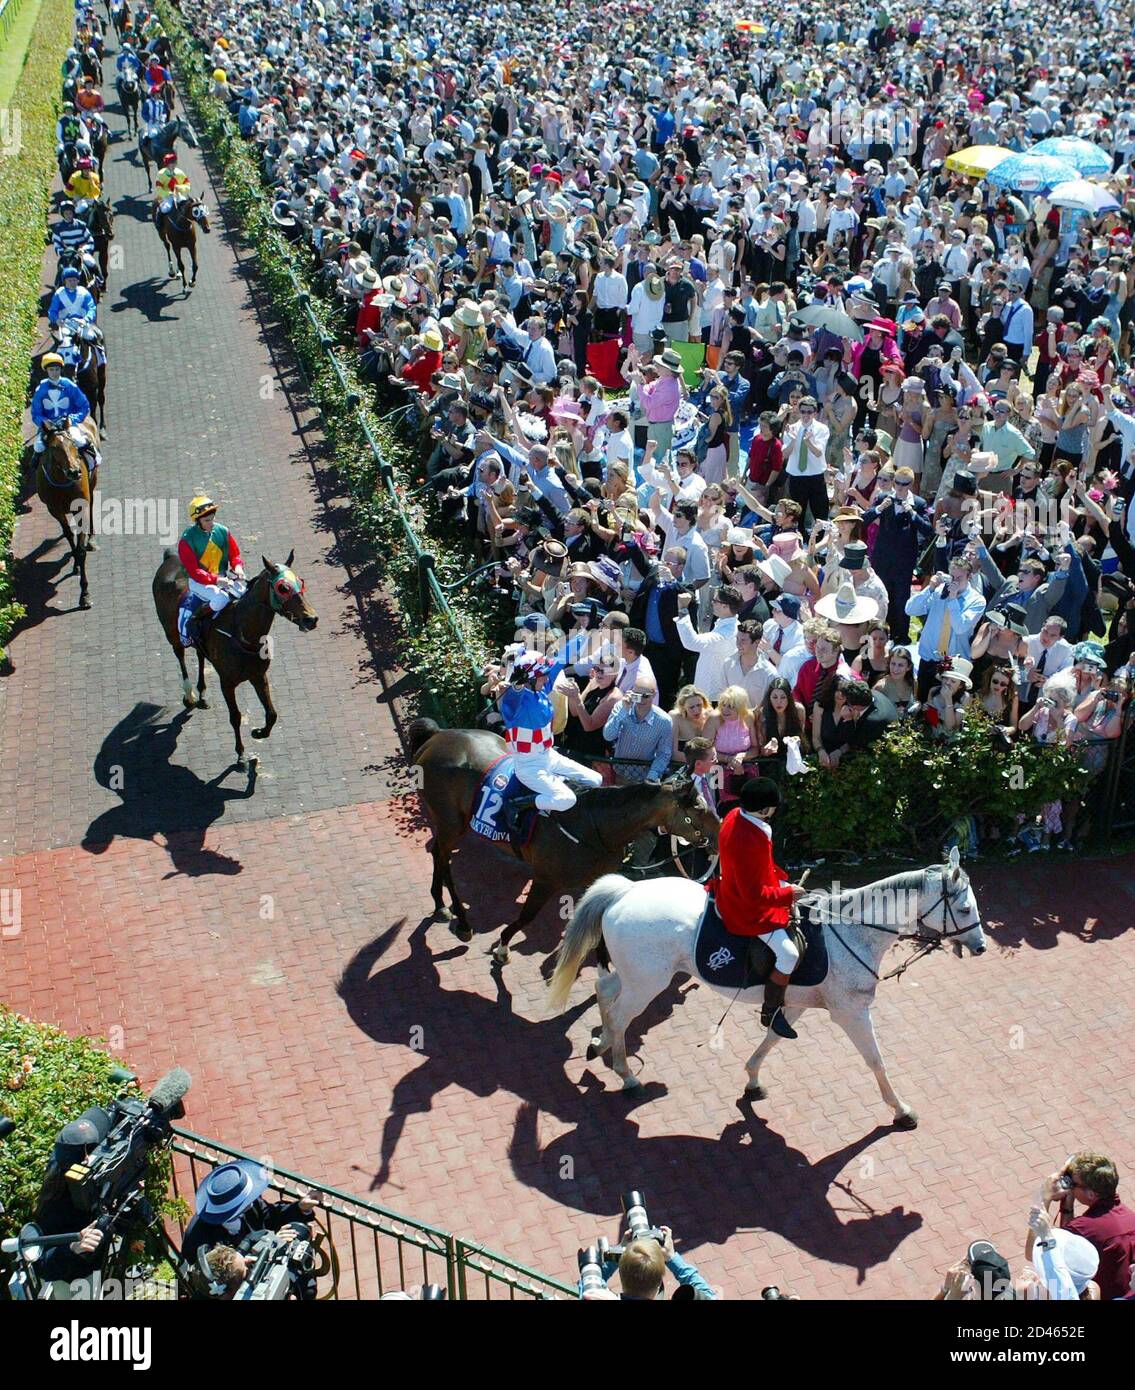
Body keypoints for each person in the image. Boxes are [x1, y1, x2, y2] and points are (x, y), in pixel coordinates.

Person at [713, 776, 808, 1039]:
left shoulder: (734, 814)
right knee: (788, 955)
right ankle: (771, 1011)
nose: (774, 812)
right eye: (773, 808)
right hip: (745, 908)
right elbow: (754, 895)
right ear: (764, 810)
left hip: (736, 884)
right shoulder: (748, 840)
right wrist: (788, 894)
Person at [490, 650, 604, 821]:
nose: (546, 679)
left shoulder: (540, 690)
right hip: (528, 766)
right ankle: (517, 804)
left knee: (596, 780)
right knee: (567, 799)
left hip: (549, 755)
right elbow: (513, 698)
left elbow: (559, 662)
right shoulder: (515, 702)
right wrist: (516, 685)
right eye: (542, 675)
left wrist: (584, 638)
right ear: (529, 679)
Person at [180, 1159, 319, 1299]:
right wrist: (273, 1242)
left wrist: (300, 1208)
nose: (252, 1202)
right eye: (247, 1202)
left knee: (307, 1288)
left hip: (267, 1274)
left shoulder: (250, 1206)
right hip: (242, 1291)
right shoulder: (196, 1240)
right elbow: (209, 1282)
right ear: (235, 1210)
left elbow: (271, 1215)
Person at [1044, 1153, 1135, 1301]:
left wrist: (1044, 1196)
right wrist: (1068, 1203)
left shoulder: (1084, 1229)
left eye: (1073, 1184)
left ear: (1091, 1194)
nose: (1070, 1187)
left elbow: (1038, 1251)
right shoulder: (1130, 1217)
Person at [176, 495, 246, 645]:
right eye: (207, 520)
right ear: (198, 521)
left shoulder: (222, 531)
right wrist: (216, 580)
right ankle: (194, 620)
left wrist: (238, 567)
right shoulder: (187, 540)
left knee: (245, 592)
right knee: (221, 599)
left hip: (222, 578)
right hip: (199, 582)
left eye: (212, 518)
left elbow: (234, 554)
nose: (211, 523)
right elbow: (194, 571)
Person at [30, 353, 96, 470]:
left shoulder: (69, 385)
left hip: (68, 424)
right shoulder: (40, 390)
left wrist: (72, 419)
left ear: (61, 369)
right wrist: (44, 422)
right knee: (38, 447)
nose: (54, 373)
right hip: (49, 427)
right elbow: (36, 413)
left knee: (79, 440)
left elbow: (84, 405)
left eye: (57, 369)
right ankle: (35, 470)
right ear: (47, 371)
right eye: (51, 370)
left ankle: (92, 462)